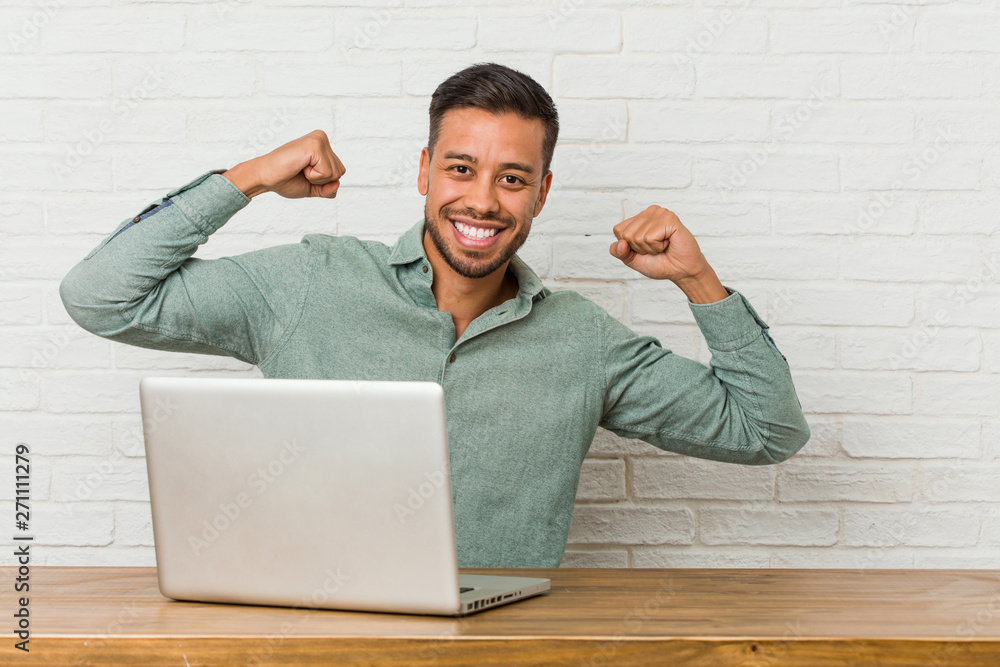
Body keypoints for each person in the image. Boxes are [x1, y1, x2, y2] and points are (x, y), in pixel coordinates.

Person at [60, 62, 810, 568]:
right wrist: (248, 178)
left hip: (503, 650)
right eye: (460, 168)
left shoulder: (586, 342)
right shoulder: (308, 281)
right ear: (423, 172)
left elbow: (768, 431)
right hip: (312, 640)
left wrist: (699, 280)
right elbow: (100, 294)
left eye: (511, 178)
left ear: (542, 193)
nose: (482, 200)